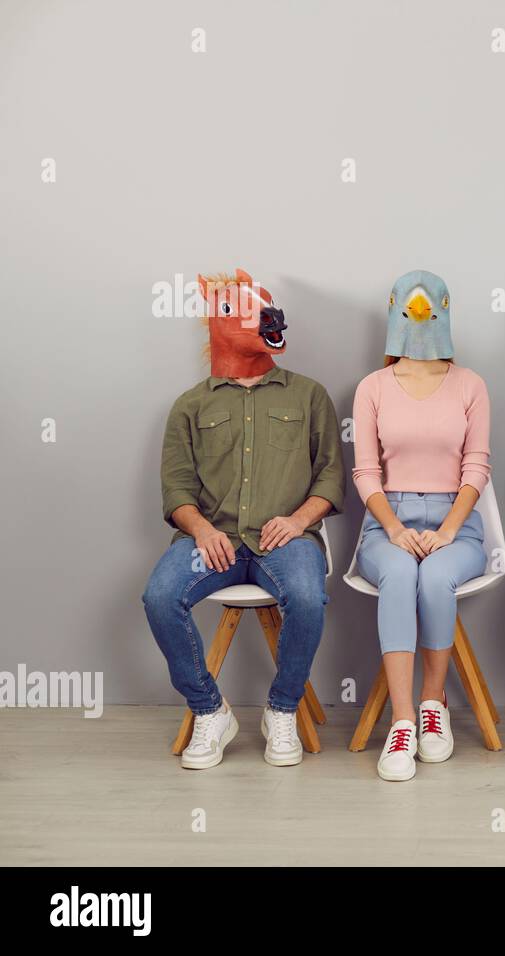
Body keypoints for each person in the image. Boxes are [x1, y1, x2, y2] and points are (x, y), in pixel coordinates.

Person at [143, 269, 344, 769]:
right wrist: (202, 528)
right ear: (216, 320)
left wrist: (299, 521)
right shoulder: (190, 405)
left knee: (306, 595)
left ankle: (282, 709)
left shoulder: (309, 395)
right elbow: (176, 489)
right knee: (160, 597)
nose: (265, 316)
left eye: (267, 306)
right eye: (242, 308)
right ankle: (210, 710)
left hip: (287, 539)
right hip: (214, 541)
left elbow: (331, 477)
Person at [352, 271, 491, 782]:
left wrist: (451, 529)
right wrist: (391, 528)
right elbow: (366, 472)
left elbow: (476, 466)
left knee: (434, 575)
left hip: (456, 525)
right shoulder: (372, 388)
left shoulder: (471, 385)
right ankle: (403, 720)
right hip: (387, 524)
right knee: (400, 574)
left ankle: (436, 705)